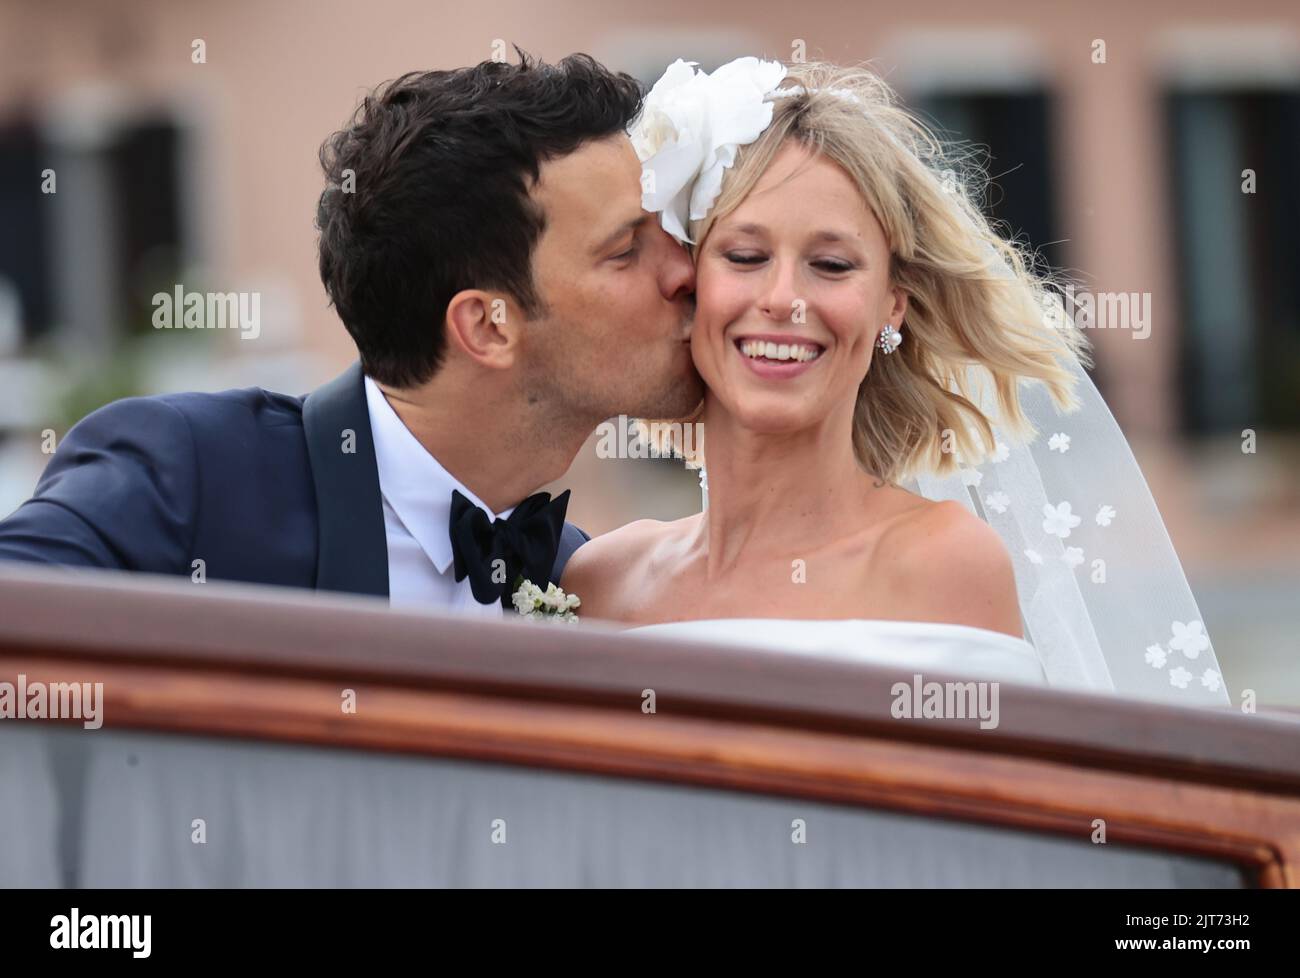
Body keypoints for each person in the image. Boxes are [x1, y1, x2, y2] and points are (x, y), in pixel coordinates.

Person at [562, 57, 1230, 707]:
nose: (785, 298)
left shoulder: (945, 565)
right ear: (687, 285)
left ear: (893, 305)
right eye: (745, 256)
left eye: (830, 264)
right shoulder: (600, 581)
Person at [0, 53, 702, 615]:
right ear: (486, 327)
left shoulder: (571, 572)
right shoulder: (188, 477)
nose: (687, 271)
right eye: (625, 249)